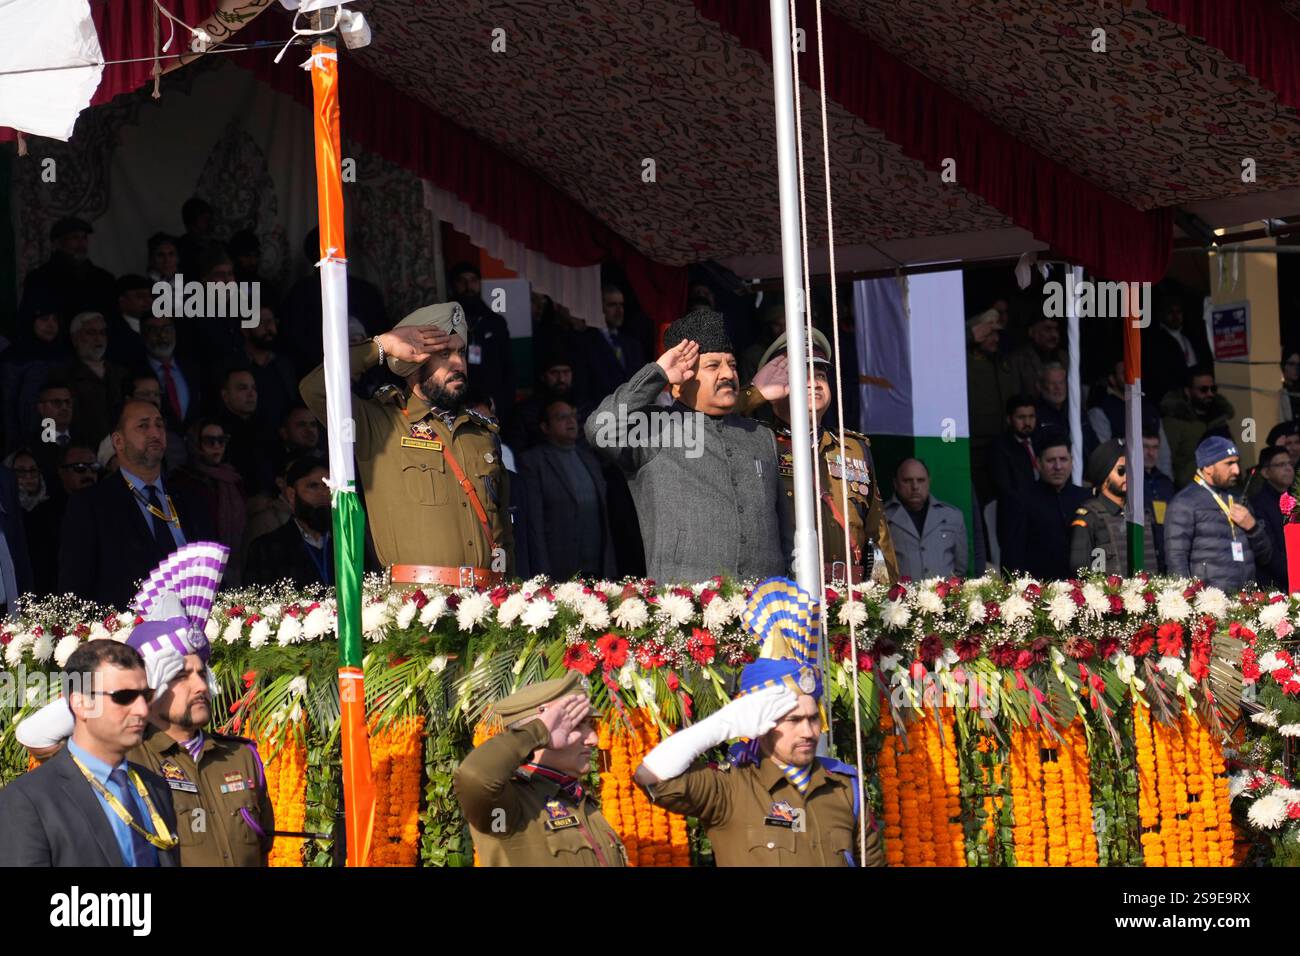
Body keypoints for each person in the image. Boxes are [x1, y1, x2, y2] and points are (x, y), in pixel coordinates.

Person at [17, 543, 273, 866]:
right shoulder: (121, 757)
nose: (199, 686)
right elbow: (33, 734)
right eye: (180, 676)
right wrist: (133, 685)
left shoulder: (240, 756)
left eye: (201, 673)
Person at [635, 578, 884, 866]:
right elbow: (651, 776)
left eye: (813, 718)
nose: (808, 731)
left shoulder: (844, 788)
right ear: (761, 723)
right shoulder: (731, 790)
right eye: (793, 720)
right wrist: (723, 724)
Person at [300, 303, 513, 583]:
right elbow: (315, 389)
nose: (459, 364)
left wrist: (510, 593)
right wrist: (383, 346)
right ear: (415, 362)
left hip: (487, 600)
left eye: (461, 352)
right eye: (444, 354)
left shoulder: (482, 433)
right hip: (417, 603)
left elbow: (503, 532)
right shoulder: (378, 423)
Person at [585, 308, 789, 584]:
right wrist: (657, 374)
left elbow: (784, 528)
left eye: (732, 364)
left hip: (767, 600)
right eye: (713, 366)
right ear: (678, 385)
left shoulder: (760, 436)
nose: (728, 373)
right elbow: (599, 429)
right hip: (686, 600)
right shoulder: (653, 429)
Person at [0, 640, 180, 866]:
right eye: (124, 697)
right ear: (81, 703)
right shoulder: (28, 799)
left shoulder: (156, 787)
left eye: (146, 696)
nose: (142, 710)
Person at [744, 329, 898, 585]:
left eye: (820, 376)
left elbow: (878, 532)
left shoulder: (853, 447)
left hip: (850, 595)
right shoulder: (754, 441)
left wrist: (888, 595)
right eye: (801, 376)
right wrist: (755, 395)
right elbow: (709, 424)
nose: (814, 383)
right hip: (783, 594)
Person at [454, 671, 626, 866]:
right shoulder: (504, 809)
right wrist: (537, 732)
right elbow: (474, 776)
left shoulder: (579, 799)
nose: (593, 739)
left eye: (591, 725)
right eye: (577, 725)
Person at [58, 400, 211, 608]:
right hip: (127, 626)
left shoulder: (191, 498)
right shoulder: (91, 505)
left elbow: (212, 572)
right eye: (143, 426)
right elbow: (75, 587)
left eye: (159, 425)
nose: (155, 433)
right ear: (118, 441)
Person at [520, 398, 616, 579]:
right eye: (561, 417)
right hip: (559, 568)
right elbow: (534, 522)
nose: (571, 421)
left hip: (597, 566)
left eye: (573, 416)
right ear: (545, 427)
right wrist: (542, 573)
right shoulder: (533, 462)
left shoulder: (590, 459)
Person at [1164, 437, 1272, 591]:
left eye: (1237, 462)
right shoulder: (1184, 503)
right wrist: (1187, 598)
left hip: (1245, 599)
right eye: (1229, 463)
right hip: (1208, 601)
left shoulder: (1239, 498)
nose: (1237, 470)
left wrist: (1252, 528)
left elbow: (1266, 556)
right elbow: (1176, 560)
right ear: (1208, 467)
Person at [168, 419, 247, 584]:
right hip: (200, 565)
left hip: (234, 563)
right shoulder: (183, 480)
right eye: (209, 441)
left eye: (221, 440)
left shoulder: (233, 478)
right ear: (195, 444)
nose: (217, 446)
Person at [1000, 432, 1088, 579]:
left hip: (1083, 587)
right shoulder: (1021, 501)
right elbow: (1012, 557)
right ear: (1038, 463)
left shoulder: (1086, 498)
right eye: (1051, 460)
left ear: (1072, 461)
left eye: (1063, 459)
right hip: (1037, 587)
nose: (1058, 466)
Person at [1068, 439, 1158, 575]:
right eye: (1121, 470)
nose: (1128, 476)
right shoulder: (1089, 518)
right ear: (1104, 477)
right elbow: (1079, 570)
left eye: (1131, 470)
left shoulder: (1141, 514)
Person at [244, 457, 335, 588]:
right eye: (313, 486)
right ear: (292, 495)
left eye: (328, 486)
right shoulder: (265, 549)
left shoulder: (349, 543)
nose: (323, 493)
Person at [2, 296, 72, 454]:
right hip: (25, 441)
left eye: (55, 320)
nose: (51, 325)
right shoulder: (15, 357)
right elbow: (8, 406)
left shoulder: (64, 356)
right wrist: (15, 448)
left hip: (63, 438)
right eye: (44, 319)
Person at [18, 216, 117, 323]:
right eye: (75, 238)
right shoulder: (39, 279)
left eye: (84, 237)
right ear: (57, 243)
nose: (82, 243)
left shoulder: (103, 279)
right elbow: (29, 320)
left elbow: (114, 319)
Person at [966, 308, 1019, 505]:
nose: (995, 339)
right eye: (989, 333)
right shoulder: (963, 361)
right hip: (975, 448)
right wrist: (969, 335)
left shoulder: (1003, 361)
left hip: (1003, 444)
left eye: (997, 333)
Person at [885, 458, 968, 580]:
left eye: (921, 480)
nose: (915, 486)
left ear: (929, 482)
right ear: (896, 484)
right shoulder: (883, 518)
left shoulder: (952, 516)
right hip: (901, 592)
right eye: (907, 481)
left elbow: (961, 570)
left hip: (945, 592)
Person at [573, 283, 646, 415]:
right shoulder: (583, 344)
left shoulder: (632, 344)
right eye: (612, 305)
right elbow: (582, 390)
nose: (619, 311)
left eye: (621, 305)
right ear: (598, 308)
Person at [60, 311, 128, 448]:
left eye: (102, 332)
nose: (98, 338)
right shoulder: (64, 376)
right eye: (91, 333)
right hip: (83, 450)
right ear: (75, 338)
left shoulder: (121, 373)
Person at [1161, 366, 1235, 488]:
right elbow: (1165, 461)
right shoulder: (1175, 422)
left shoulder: (1219, 420)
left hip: (1223, 489)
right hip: (1188, 490)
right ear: (1188, 391)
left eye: (1213, 389)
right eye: (1203, 389)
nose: (1209, 394)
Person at [1142, 290, 1212, 406]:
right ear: (1162, 314)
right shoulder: (1156, 341)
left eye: (1178, 312)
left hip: (1196, 394)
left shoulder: (1191, 336)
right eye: (1171, 312)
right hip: (1172, 398)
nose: (1175, 316)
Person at [7, 449, 58, 595]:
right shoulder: (6, 513)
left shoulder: (52, 510)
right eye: (21, 472)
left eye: (33, 470)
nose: (29, 477)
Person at [1247, 444, 1293, 591]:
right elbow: (1269, 554)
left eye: (1289, 463)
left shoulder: (1294, 499)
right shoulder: (1258, 505)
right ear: (1266, 472)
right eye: (1281, 464)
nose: (1288, 468)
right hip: (1274, 587)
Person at [27, 381, 77, 488]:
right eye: (57, 402)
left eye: (68, 402)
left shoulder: (86, 439)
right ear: (41, 408)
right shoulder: (29, 446)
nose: (64, 407)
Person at [1008, 315, 1066, 399]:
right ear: (1031, 332)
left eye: (1056, 330)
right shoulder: (1017, 360)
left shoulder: (1064, 357)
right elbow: (1014, 396)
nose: (1054, 335)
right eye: (1047, 329)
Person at [1142, 426, 1175, 570]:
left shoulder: (1166, 483)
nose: (1150, 453)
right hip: (1141, 553)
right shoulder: (1128, 481)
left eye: (1155, 447)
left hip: (1165, 555)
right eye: (1145, 447)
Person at [107, 274, 151, 367]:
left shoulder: (159, 324)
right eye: (140, 296)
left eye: (149, 296)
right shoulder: (112, 332)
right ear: (122, 301)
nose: (148, 300)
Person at [1034, 362, 1069, 435]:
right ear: (1039, 386)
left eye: (1061, 383)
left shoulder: (1077, 411)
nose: (1058, 387)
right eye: (1052, 383)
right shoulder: (1033, 415)